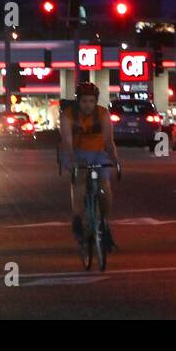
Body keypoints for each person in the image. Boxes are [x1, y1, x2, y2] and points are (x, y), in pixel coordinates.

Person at [59, 81, 120, 250]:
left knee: (105, 186)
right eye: (84, 101)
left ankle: (104, 223)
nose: (88, 105)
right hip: (76, 152)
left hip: (98, 152)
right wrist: (72, 160)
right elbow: (67, 141)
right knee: (79, 179)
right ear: (78, 101)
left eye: (91, 101)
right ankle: (77, 219)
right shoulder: (68, 114)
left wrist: (114, 158)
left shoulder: (103, 113)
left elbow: (108, 140)